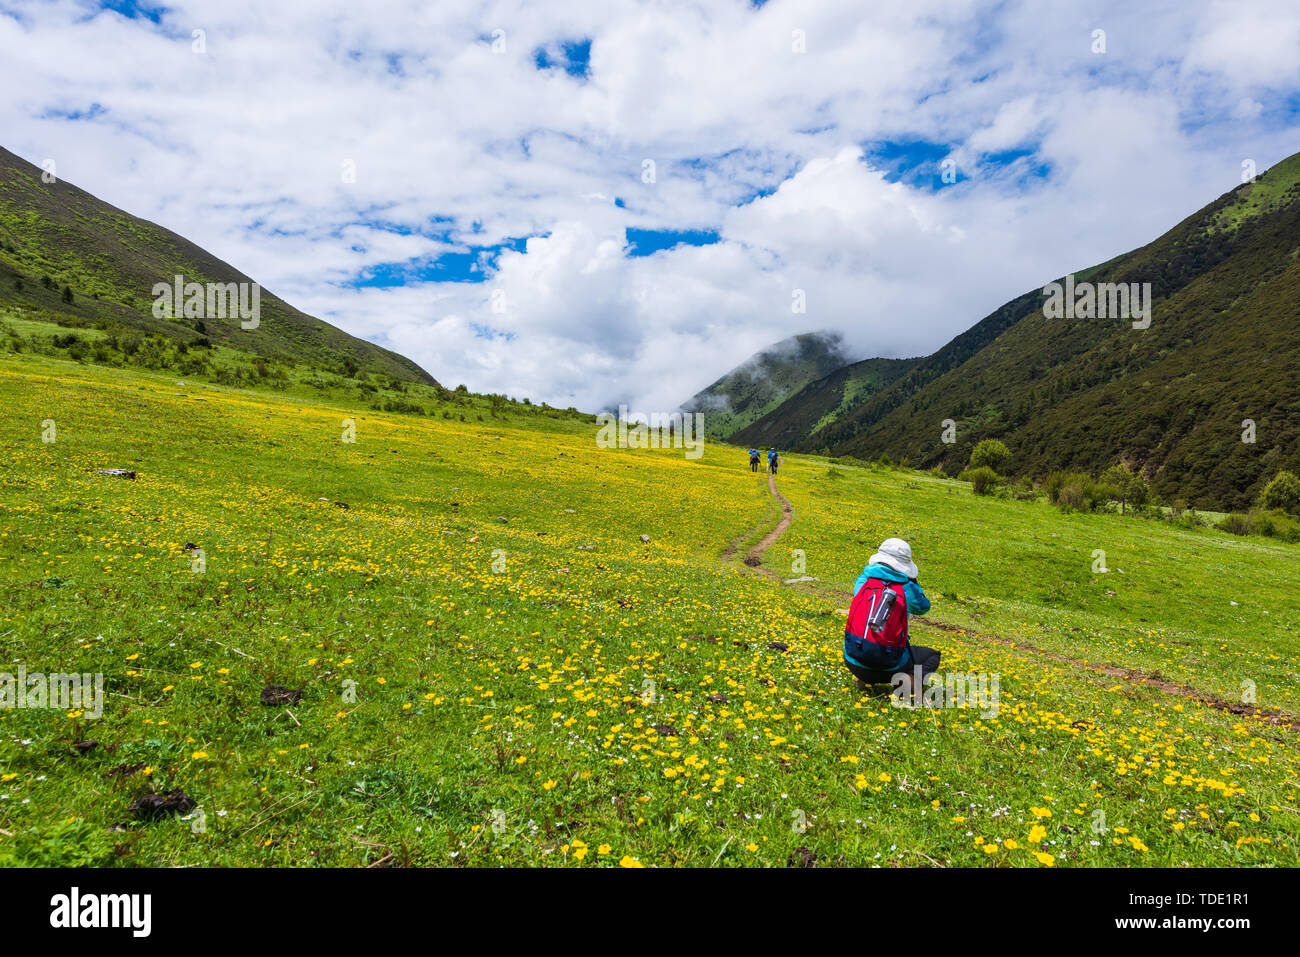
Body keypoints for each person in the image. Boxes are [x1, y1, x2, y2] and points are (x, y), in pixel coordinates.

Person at [842, 538, 940, 700]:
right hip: (889, 667)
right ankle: (905, 683)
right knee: (932, 656)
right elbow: (923, 607)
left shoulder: (863, 580)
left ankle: (863, 678)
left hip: (853, 661)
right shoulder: (906, 587)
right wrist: (914, 583)